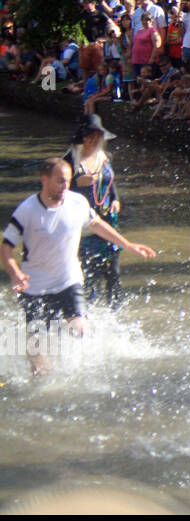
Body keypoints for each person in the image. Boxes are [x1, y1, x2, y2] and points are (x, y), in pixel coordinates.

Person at [2, 159, 157, 375]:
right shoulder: (27, 211)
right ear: (44, 180)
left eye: (67, 182)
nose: (64, 187)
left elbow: (95, 224)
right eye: (59, 182)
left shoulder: (78, 202)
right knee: (38, 353)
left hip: (68, 281)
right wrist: (15, 273)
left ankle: (77, 373)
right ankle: (41, 381)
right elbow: (6, 247)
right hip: (34, 286)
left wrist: (127, 244)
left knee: (80, 330)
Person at [63, 116, 125, 308]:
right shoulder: (69, 161)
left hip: (107, 220)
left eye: (98, 136)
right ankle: (83, 310)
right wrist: (75, 183)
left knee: (113, 270)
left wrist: (115, 200)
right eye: (91, 136)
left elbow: (110, 182)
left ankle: (114, 310)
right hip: (83, 224)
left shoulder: (105, 158)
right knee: (87, 270)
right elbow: (57, 192)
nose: (95, 140)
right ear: (82, 137)